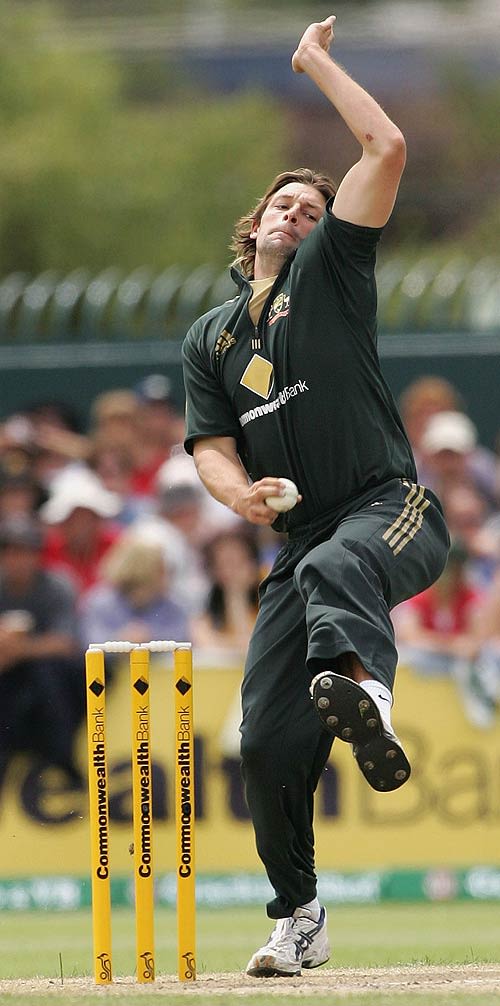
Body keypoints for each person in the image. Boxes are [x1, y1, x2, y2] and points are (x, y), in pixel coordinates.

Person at [182, 16, 450, 979]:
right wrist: (243, 499)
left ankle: (368, 692)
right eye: (285, 206)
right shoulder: (212, 336)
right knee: (263, 740)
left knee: (339, 560)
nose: (298, 216)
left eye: (312, 209)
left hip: (391, 509)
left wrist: (316, 64)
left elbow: (388, 146)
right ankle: (300, 917)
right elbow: (211, 448)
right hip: (297, 546)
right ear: (254, 222)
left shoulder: (334, 270)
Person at [0, 515, 84, 787]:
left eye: (25, 552)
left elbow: (66, 643)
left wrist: (17, 649)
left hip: (52, 684)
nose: (18, 560)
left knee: (48, 673)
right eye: (11, 552)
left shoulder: (57, 585)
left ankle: (60, 756)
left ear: (38, 556)